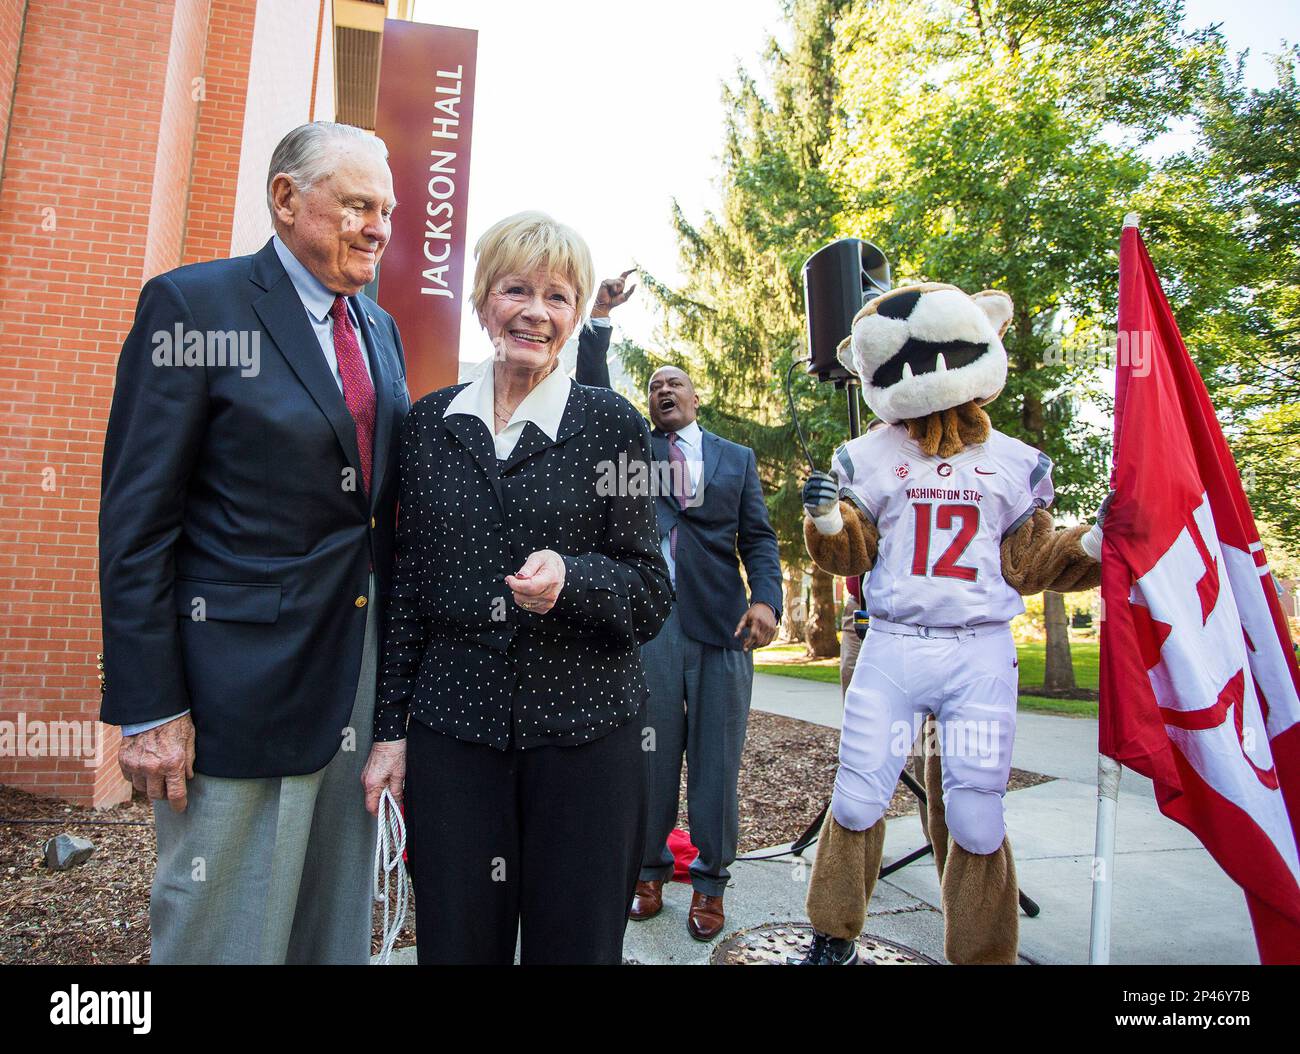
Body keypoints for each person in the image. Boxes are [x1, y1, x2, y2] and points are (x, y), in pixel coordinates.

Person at [98, 122, 407, 963]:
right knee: (223, 926)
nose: (378, 226)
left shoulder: (379, 330)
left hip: (354, 669)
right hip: (234, 681)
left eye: (386, 208)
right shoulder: (194, 306)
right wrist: (150, 704)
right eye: (355, 205)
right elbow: (136, 521)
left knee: (328, 919)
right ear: (284, 199)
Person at [361, 211, 672, 965]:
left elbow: (651, 589)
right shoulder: (429, 425)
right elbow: (406, 591)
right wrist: (390, 730)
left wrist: (576, 579)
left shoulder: (615, 425)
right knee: (457, 942)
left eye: (559, 297)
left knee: (576, 945)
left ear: (574, 317)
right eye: (516, 289)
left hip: (587, 737)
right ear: (482, 301)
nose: (536, 310)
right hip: (454, 736)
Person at [576, 299, 783, 941]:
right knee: (650, 759)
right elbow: (591, 388)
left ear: (696, 398)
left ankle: (712, 885)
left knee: (718, 762)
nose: (665, 389)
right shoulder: (632, 447)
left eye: (676, 383)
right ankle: (647, 874)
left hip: (724, 626)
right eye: (656, 385)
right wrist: (600, 323)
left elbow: (760, 539)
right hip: (650, 627)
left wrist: (767, 601)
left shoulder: (736, 458)